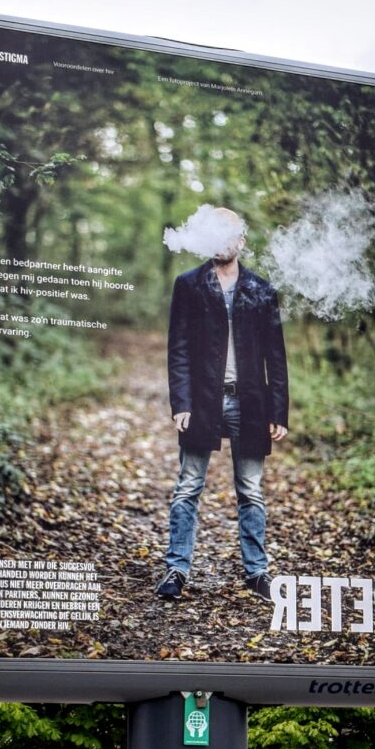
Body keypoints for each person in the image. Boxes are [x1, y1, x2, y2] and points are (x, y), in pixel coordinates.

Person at [157, 208, 290, 600]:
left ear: (241, 241)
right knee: (188, 488)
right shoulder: (189, 284)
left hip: (250, 403)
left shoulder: (262, 290)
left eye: (227, 235)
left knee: (251, 491)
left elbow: (276, 356)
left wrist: (278, 410)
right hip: (202, 402)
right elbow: (177, 348)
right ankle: (176, 569)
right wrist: (180, 402)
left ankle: (257, 573)